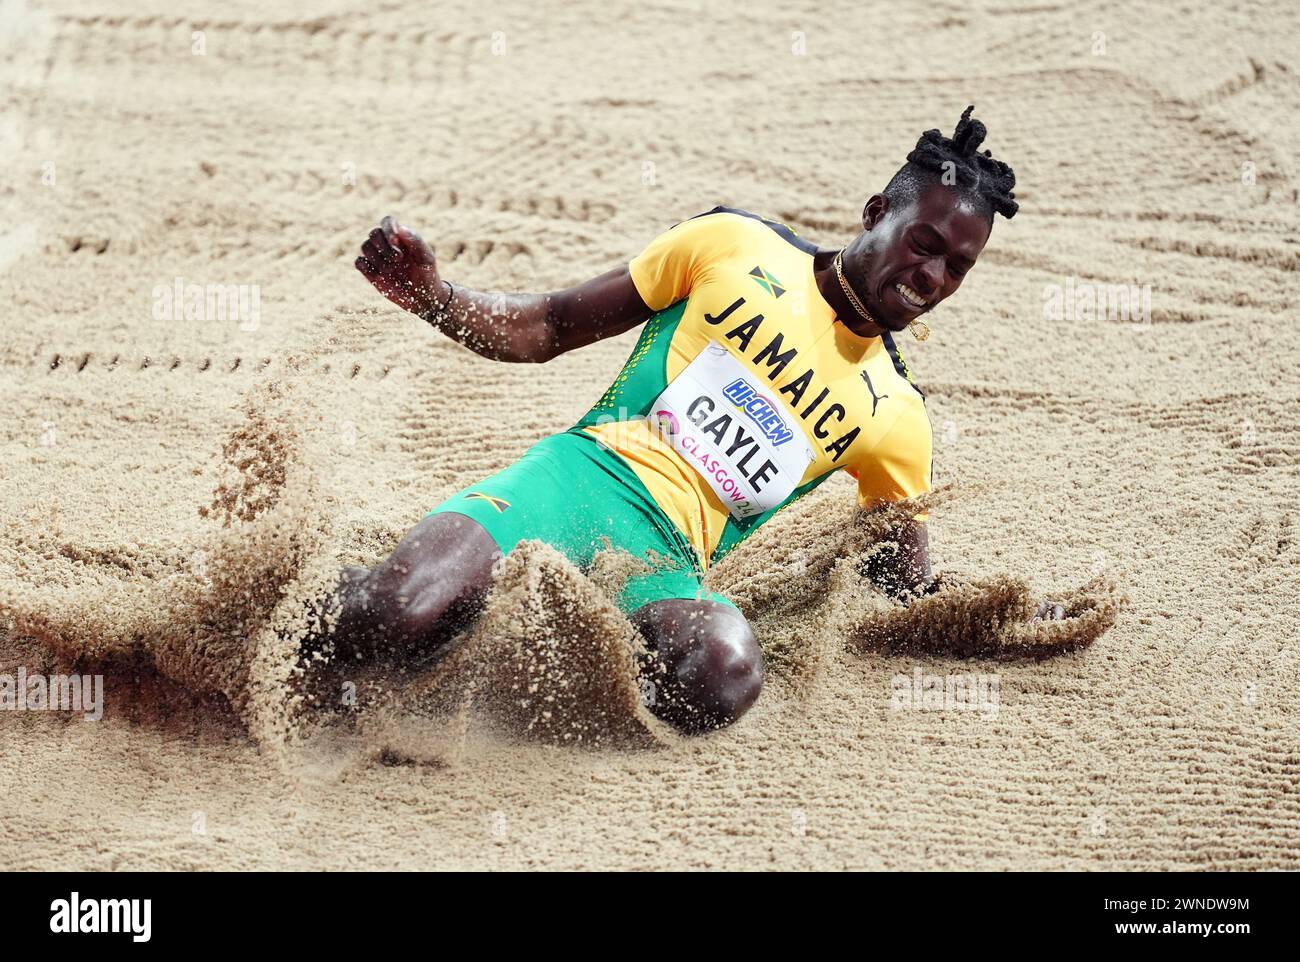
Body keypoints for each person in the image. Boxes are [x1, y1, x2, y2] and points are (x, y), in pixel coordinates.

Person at [343, 106, 1062, 733]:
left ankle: (503, 661)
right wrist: (436, 296)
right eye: (923, 244)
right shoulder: (736, 247)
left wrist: (1005, 612)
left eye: (956, 267)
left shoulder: (896, 416)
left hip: (661, 568)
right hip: (568, 484)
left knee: (720, 674)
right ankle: (369, 604)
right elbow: (548, 324)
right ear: (877, 213)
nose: (931, 277)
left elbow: (901, 586)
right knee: (392, 611)